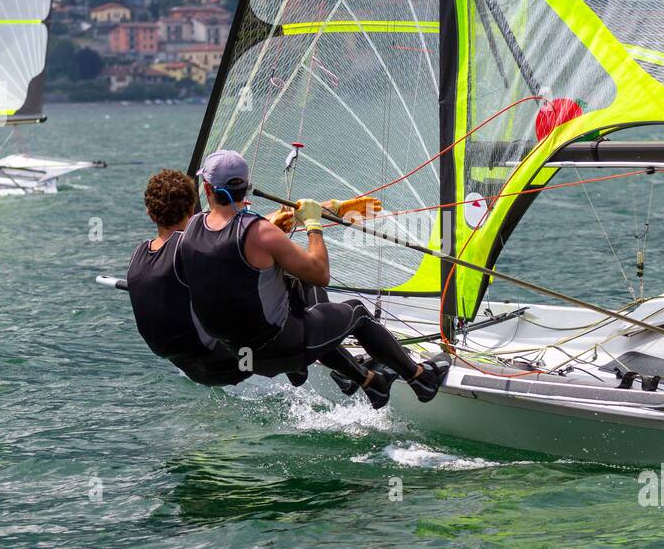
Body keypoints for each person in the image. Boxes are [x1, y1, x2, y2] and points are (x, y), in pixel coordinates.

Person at [180, 149, 446, 409]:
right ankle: (421, 379)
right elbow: (320, 274)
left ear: (207, 189)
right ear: (247, 186)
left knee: (301, 292)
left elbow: (267, 224)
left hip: (242, 357)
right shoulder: (260, 234)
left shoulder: (193, 228)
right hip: (279, 350)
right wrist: (314, 226)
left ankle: (366, 382)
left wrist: (336, 208)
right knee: (357, 312)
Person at [126, 169, 251, 387]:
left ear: (149, 212)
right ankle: (304, 357)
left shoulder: (139, 253)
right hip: (230, 364)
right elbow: (243, 240)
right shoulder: (189, 248)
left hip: (191, 369)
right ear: (192, 209)